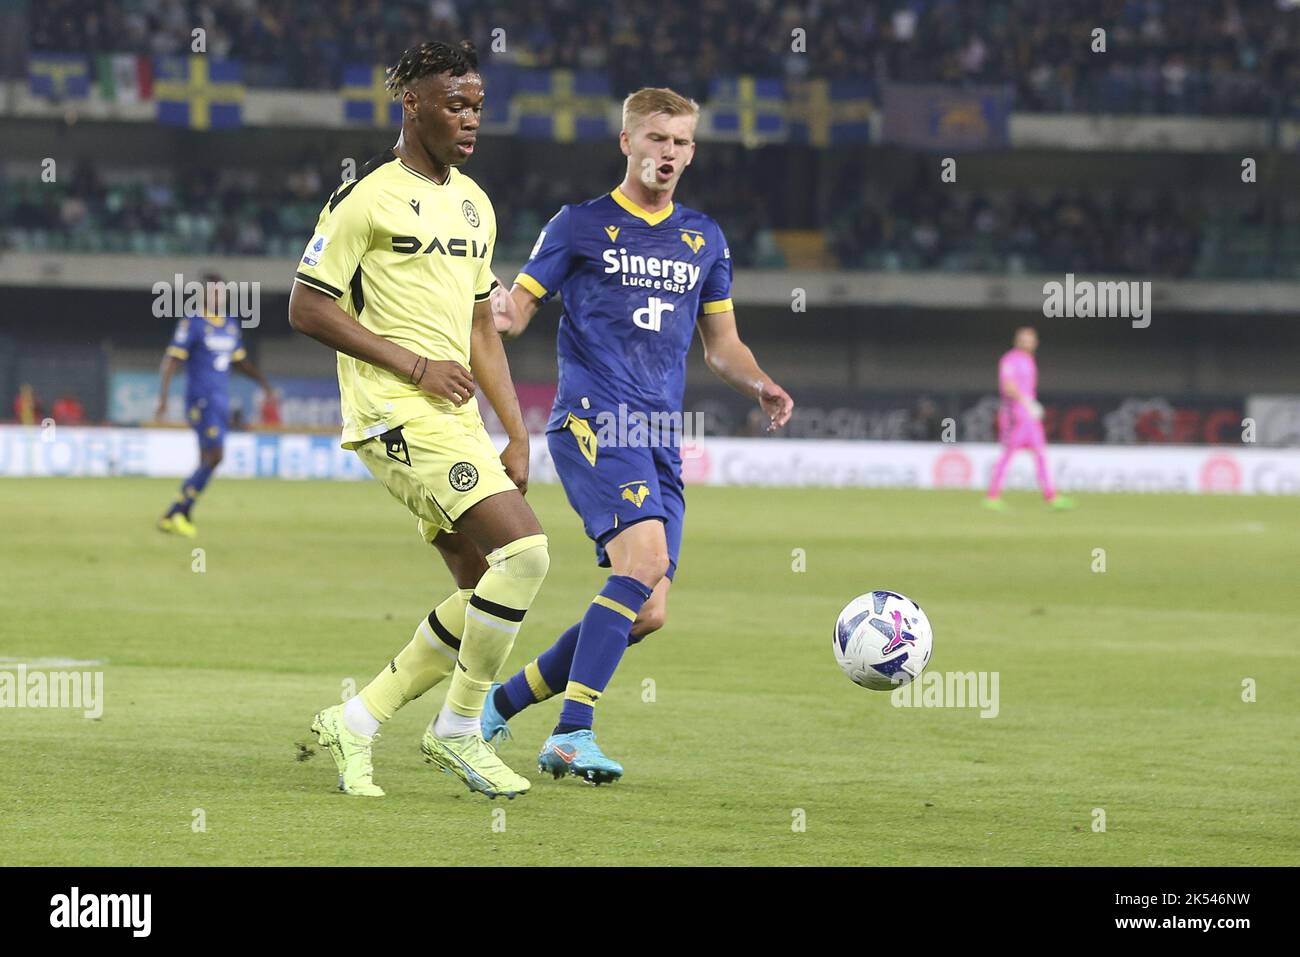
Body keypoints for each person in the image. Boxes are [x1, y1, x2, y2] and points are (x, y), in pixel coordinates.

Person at [485, 87, 795, 784]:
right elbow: (520, 310)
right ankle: (572, 731)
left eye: (681, 142)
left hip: (659, 432)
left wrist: (760, 382)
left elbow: (722, 346)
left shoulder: (704, 238)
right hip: (595, 420)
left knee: (648, 608)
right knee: (640, 563)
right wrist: (500, 308)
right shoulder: (579, 224)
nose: (669, 153)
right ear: (627, 142)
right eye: (656, 138)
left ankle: (494, 706)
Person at [289, 40, 549, 799]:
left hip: (456, 422)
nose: (470, 120)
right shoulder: (363, 198)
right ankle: (460, 729)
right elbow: (307, 306)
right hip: (396, 413)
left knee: (480, 588)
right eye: (455, 104)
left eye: (477, 106)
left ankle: (358, 720)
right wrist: (411, 365)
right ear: (412, 104)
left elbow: (481, 329)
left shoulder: (475, 204)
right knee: (526, 554)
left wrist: (518, 428)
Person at [156, 272, 275, 537]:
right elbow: (172, 360)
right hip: (201, 399)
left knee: (206, 459)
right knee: (215, 456)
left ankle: (177, 515)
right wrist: (162, 397)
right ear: (204, 295)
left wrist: (263, 384)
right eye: (213, 292)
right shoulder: (193, 324)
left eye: (221, 292)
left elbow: (240, 363)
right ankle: (176, 510)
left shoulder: (230, 325)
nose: (218, 296)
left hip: (220, 400)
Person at [984, 326, 1074, 510]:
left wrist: (1030, 405)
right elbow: (1008, 387)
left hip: (1029, 417)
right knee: (1007, 456)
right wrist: (1026, 402)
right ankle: (992, 496)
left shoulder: (1029, 360)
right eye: (1025, 339)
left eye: (1031, 340)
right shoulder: (1010, 360)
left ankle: (1051, 496)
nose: (1028, 343)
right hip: (1015, 416)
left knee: (1041, 455)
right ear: (1017, 341)